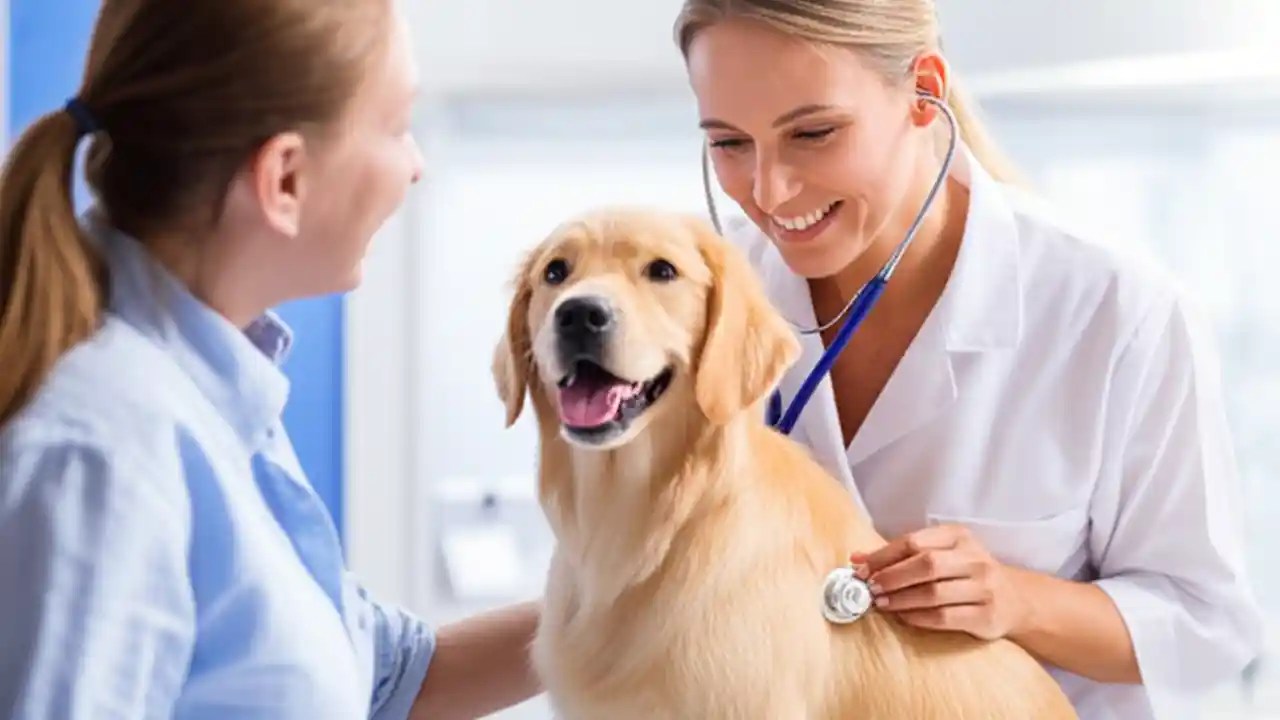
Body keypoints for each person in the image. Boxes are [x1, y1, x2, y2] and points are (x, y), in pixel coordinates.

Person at [674, 1, 1265, 718]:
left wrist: (1016, 600)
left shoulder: (1115, 309)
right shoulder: (697, 297)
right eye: (730, 144)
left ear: (924, 91)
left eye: (814, 133)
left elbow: (1207, 631)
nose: (769, 191)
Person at [0, 1, 541, 718]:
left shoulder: (219, 404)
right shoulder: (105, 454)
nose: (415, 166)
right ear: (284, 179)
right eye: (396, 127)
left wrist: (635, 602)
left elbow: (380, 678)